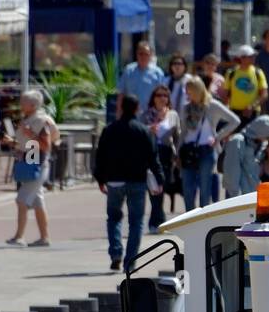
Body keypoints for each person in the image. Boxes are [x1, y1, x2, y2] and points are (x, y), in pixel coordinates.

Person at [94, 94, 164, 273]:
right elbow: (153, 158)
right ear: (136, 108)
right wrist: (160, 179)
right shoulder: (144, 131)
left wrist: (100, 178)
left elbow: (100, 156)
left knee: (114, 217)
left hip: (114, 180)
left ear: (121, 108)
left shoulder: (109, 130)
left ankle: (116, 254)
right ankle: (131, 261)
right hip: (137, 181)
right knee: (136, 221)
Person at [178, 75, 238, 211]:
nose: (187, 95)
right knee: (188, 189)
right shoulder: (186, 108)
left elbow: (235, 120)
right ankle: (189, 221)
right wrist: (178, 151)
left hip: (207, 150)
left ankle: (203, 221)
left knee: (205, 190)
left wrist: (218, 137)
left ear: (198, 91)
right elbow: (183, 131)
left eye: (190, 92)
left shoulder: (212, 105)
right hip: (187, 150)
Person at [6, 89, 58, 247]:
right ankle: (44, 237)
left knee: (21, 199)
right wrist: (12, 143)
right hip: (30, 159)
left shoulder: (41, 121)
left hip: (37, 163)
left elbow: (46, 145)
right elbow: (26, 144)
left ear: (33, 105)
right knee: (37, 201)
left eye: (24, 102)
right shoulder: (28, 119)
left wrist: (30, 134)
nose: (21, 104)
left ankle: (19, 236)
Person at [140, 83, 179, 232]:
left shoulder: (173, 114)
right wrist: (150, 127)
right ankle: (158, 222)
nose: (162, 98)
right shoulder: (146, 114)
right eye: (159, 95)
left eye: (165, 95)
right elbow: (140, 132)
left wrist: (177, 154)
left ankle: (157, 221)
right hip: (150, 153)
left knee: (163, 186)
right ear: (153, 98)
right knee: (154, 188)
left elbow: (177, 135)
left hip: (166, 154)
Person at [221, 115, 269, 198]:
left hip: (253, 196)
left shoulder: (259, 144)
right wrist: (235, 197)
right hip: (238, 197)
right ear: (261, 131)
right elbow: (232, 173)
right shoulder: (237, 141)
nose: (267, 139)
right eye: (268, 136)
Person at [225, 45, 268, 125]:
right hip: (234, 112)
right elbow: (226, 93)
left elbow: (264, 94)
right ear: (242, 58)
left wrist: (252, 106)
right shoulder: (231, 73)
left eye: (253, 56)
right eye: (250, 56)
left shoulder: (258, 72)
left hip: (253, 112)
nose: (253, 58)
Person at [119, 42, 166, 111]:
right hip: (130, 114)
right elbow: (121, 93)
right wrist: (118, 112)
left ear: (150, 55)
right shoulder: (128, 71)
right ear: (136, 54)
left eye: (146, 54)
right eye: (141, 54)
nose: (143, 56)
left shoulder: (158, 73)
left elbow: (163, 96)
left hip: (151, 115)